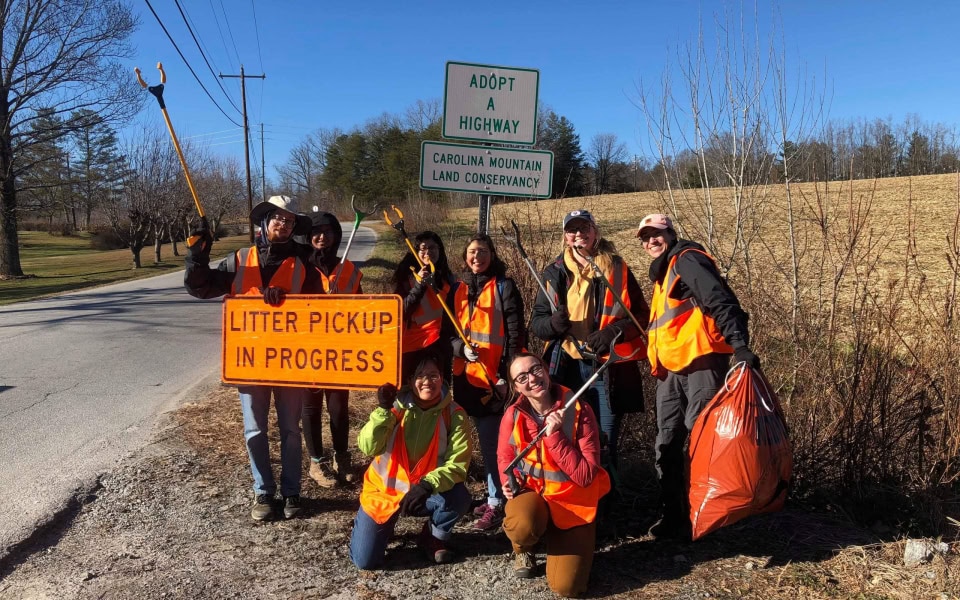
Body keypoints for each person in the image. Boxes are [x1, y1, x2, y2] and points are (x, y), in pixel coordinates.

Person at [184, 195, 315, 521]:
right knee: (255, 430)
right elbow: (200, 287)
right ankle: (263, 492)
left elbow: (319, 309)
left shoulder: (303, 264)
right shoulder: (239, 260)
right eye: (277, 218)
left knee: (290, 430)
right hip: (250, 360)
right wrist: (197, 256)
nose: (283, 224)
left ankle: (292, 491)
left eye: (289, 220)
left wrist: (289, 304)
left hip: (290, 360)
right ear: (265, 222)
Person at [637, 213, 760, 540]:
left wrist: (739, 344)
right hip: (672, 369)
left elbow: (719, 300)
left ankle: (706, 517)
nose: (651, 241)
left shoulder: (687, 259)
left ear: (671, 233)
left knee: (702, 440)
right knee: (667, 441)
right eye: (645, 237)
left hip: (702, 362)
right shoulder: (663, 275)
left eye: (657, 234)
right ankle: (673, 516)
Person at [528, 209, 648, 474]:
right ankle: (578, 503)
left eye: (584, 228)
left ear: (595, 232)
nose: (579, 234)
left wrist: (612, 333)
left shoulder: (616, 267)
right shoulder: (554, 272)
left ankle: (607, 501)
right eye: (572, 229)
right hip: (565, 365)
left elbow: (640, 315)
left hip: (606, 367)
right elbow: (538, 322)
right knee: (570, 436)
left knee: (604, 440)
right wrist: (553, 325)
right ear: (565, 236)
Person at [497, 352, 610, 597]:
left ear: (546, 369)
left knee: (568, 588)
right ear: (516, 387)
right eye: (522, 377)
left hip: (573, 505)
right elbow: (505, 458)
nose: (532, 379)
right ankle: (523, 547)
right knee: (520, 525)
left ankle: (562, 542)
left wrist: (555, 437)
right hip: (535, 496)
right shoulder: (513, 414)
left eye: (535, 369)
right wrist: (508, 482)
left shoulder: (580, 409)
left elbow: (585, 476)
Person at [350, 352, 473, 568]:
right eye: (420, 375)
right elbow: (368, 447)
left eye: (433, 375)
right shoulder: (394, 407)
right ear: (410, 380)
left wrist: (426, 485)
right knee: (365, 561)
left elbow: (458, 465)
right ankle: (376, 528)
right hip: (384, 494)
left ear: (442, 379)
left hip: (424, 493)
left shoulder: (454, 414)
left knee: (459, 497)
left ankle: (432, 537)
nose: (427, 382)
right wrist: (382, 411)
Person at [449, 233, 526, 531]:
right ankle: (495, 495)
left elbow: (516, 333)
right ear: (464, 256)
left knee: (495, 444)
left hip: (494, 381)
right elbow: (448, 334)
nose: (476, 256)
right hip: (465, 379)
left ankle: (499, 502)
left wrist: (509, 376)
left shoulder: (504, 287)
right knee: (477, 443)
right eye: (471, 251)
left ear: (492, 254)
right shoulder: (457, 288)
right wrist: (459, 349)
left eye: (482, 251)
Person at [301, 210, 363, 488]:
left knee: (339, 408)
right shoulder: (300, 267)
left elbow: (364, 310)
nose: (321, 236)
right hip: (307, 351)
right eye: (316, 232)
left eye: (327, 231)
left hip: (340, 352)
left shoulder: (348, 270)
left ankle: (342, 457)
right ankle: (317, 462)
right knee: (310, 407)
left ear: (336, 236)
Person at [389, 231, 456, 384]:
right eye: (423, 249)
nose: (428, 252)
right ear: (416, 251)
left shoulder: (447, 278)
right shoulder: (406, 279)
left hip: (441, 345)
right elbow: (400, 312)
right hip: (413, 347)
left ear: (440, 250)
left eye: (433, 248)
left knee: (439, 392)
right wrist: (419, 286)